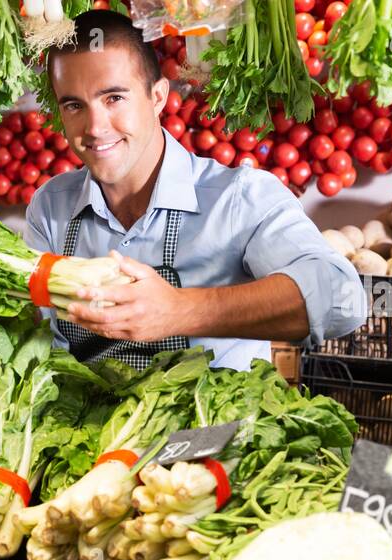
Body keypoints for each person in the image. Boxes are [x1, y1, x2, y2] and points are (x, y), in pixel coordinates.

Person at [28, 11, 366, 370]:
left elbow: (342, 299)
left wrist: (181, 310)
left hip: (207, 425)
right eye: (74, 105)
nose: (95, 127)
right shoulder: (51, 208)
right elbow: (33, 338)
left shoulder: (237, 198)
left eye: (114, 98)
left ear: (157, 97)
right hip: (89, 424)